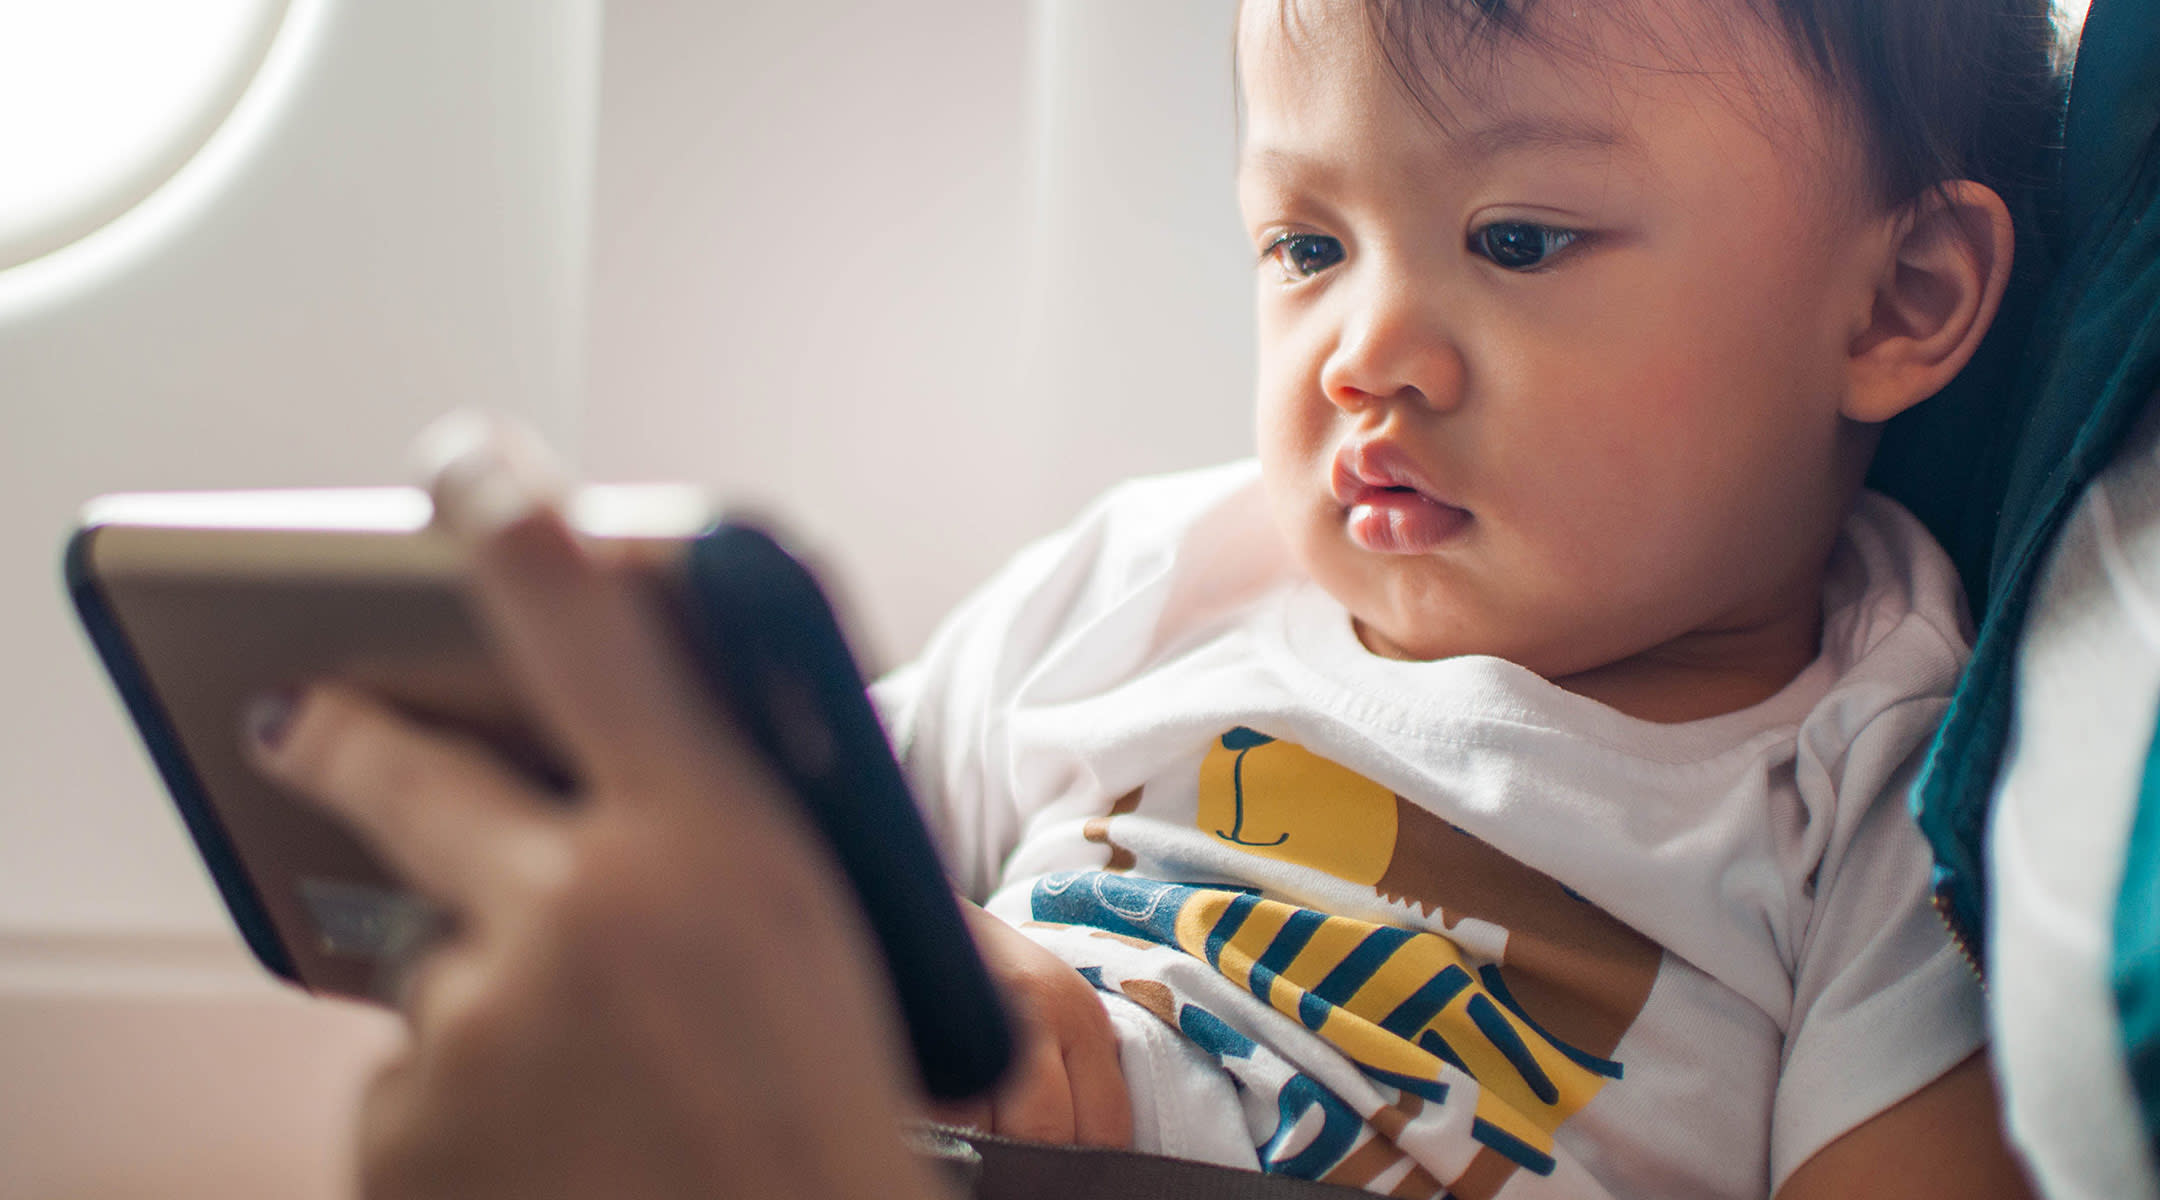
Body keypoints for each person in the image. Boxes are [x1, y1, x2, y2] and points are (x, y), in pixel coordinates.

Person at [244, 0, 2064, 1195]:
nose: (1368, 356)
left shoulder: (1890, 774)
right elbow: (795, 875)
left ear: (1900, 299)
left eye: (1517, 242)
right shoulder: (1153, 580)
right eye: (1306, 246)